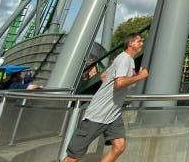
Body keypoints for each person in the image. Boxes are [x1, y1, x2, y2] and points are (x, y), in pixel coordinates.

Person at [63, 33, 148, 162]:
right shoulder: (124, 58)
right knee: (74, 157)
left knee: (119, 146)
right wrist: (140, 77)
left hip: (113, 114)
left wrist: (128, 78)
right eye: (139, 41)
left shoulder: (129, 61)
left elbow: (103, 75)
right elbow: (119, 83)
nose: (141, 43)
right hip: (98, 113)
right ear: (130, 43)